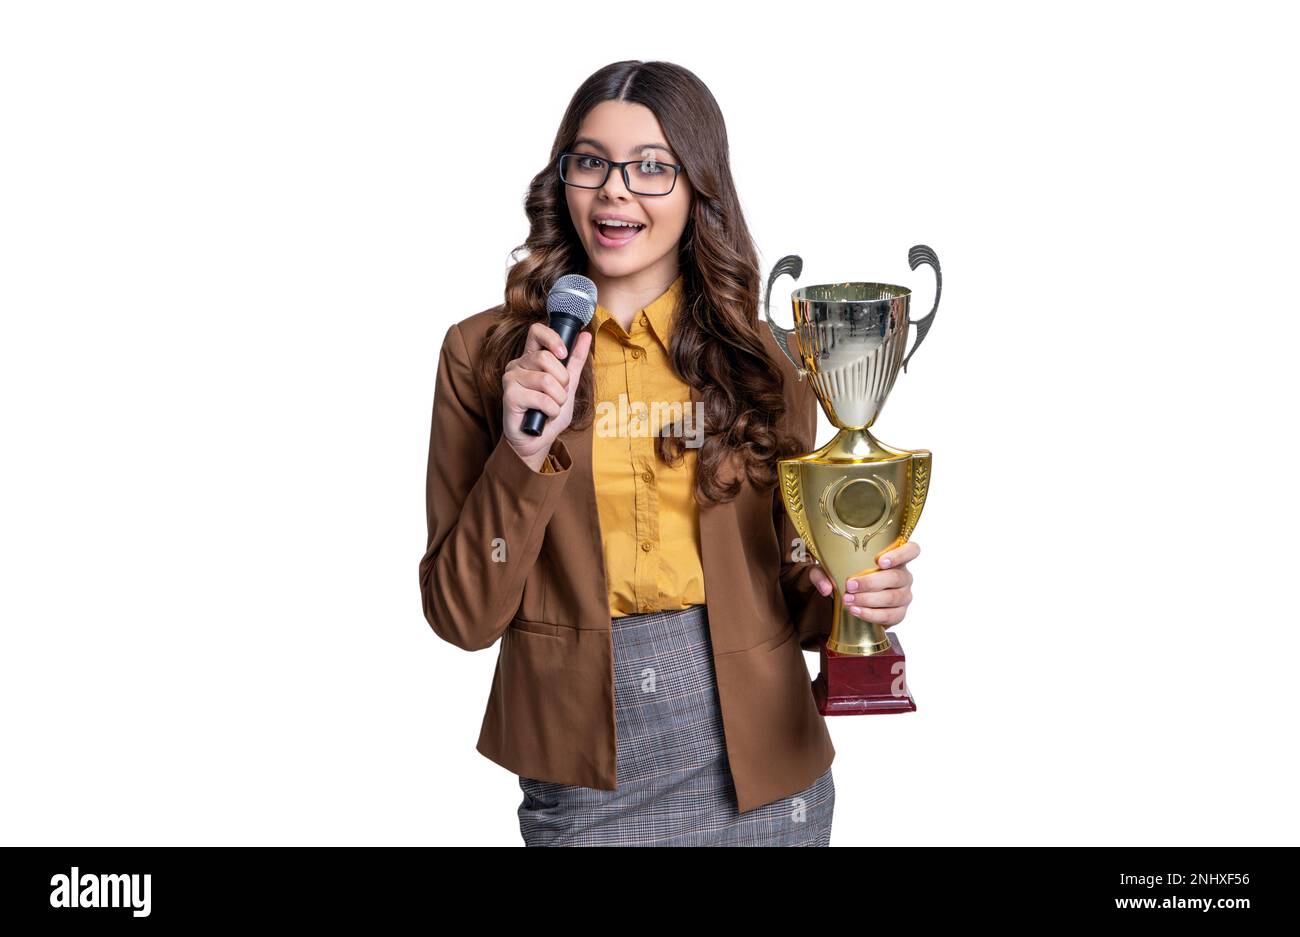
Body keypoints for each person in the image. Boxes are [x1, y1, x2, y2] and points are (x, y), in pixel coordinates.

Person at [419, 60, 921, 846]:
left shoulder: (767, 359)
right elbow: (460, 614)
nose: (616, 189)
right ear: (564, 183)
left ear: (698, 190)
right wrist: (521, 456)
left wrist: (856, 593)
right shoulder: (484, 357)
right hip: (584, 769)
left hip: (766, 761)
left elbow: (797, 589)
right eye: (592, 162)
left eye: (652, 167)